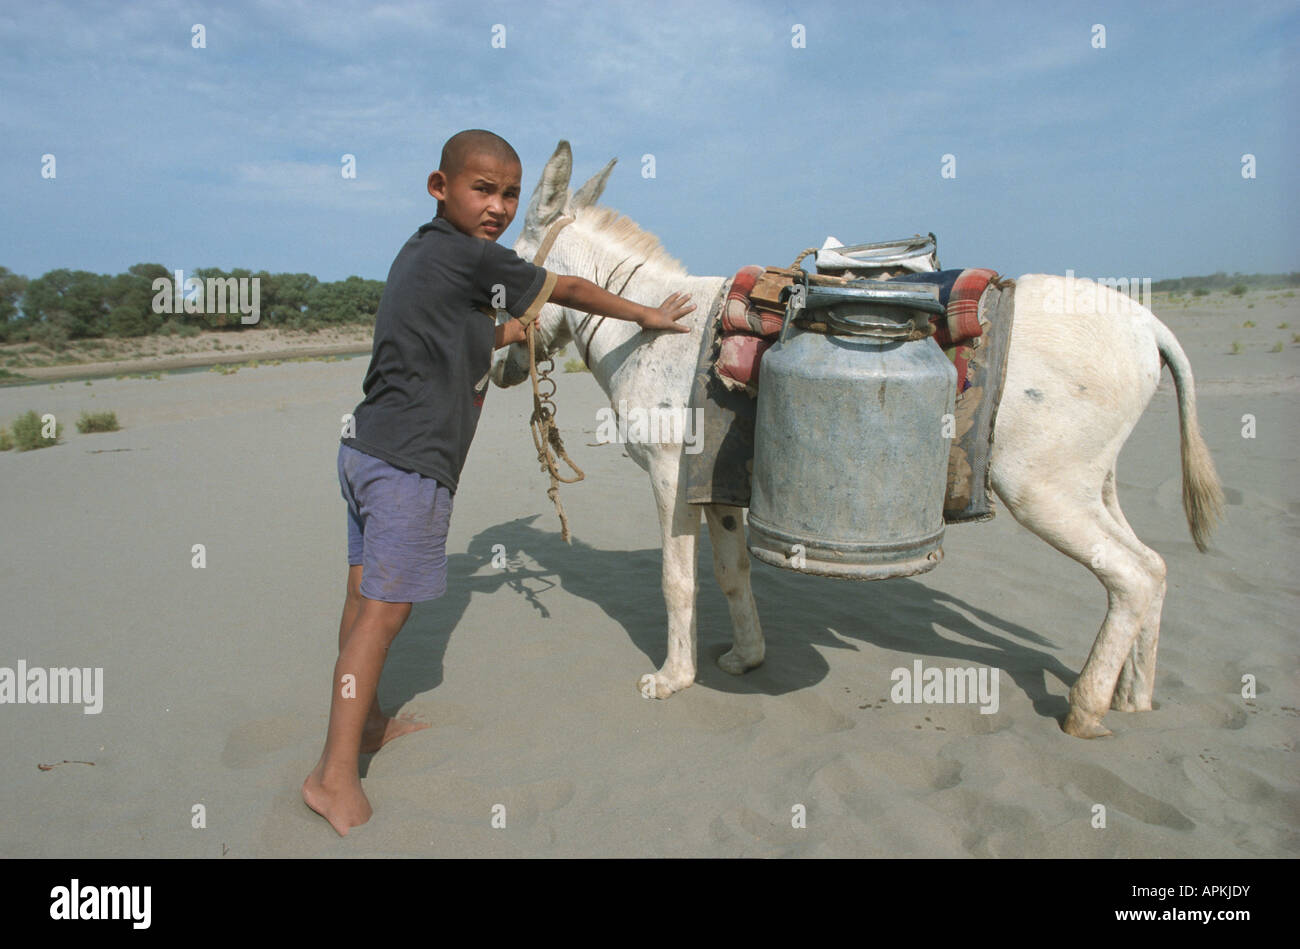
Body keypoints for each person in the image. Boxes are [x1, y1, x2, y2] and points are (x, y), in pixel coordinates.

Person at [302, 129, 695, 835]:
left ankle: (364, 723)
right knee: (386, 614)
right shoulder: (472, 257)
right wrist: (646, 312)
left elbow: (463, 336)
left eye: (510, 194)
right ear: (439, 185)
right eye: (483, 189)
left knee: (361, 594)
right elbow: (568, 287)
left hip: (362, 450)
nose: (498, 207)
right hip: (409, 464)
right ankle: (333, 775)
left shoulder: (422, 254)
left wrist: (513, 334)